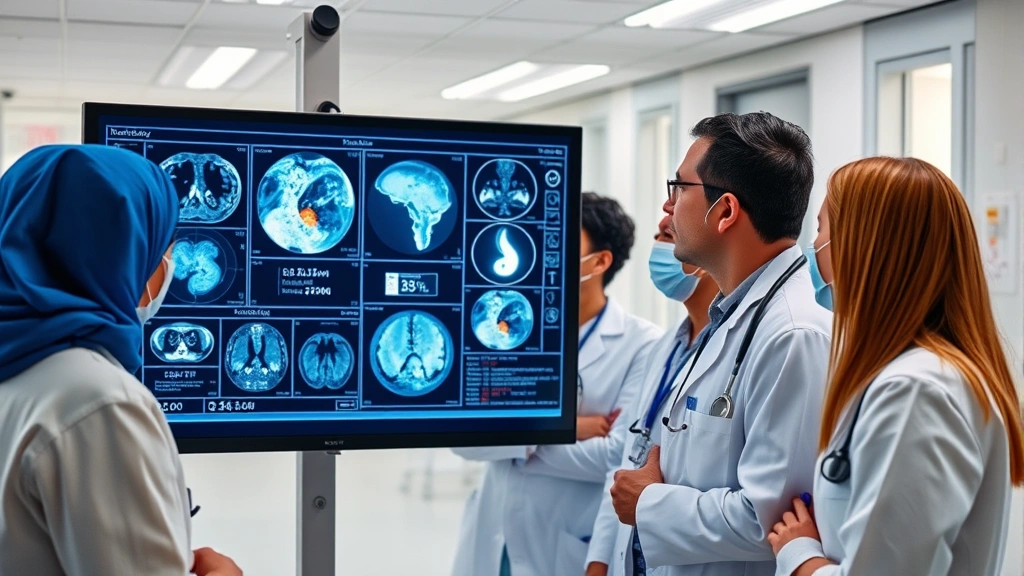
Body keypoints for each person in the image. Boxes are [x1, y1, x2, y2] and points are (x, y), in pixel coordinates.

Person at [769, 157, 1024, 576]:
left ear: (865, 246)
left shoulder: (917, 390)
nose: (813, 248)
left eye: (821, 229)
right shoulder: (918, 377)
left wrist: (801, 556)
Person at [0, 145, 242, 576]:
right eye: (161, 249)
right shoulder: (97, 401)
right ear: (126, 253)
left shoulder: (16, 365)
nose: (165, 267)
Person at [608, 112, 832, 576]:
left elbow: (772, 518)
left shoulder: (794, 336)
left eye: (679, 188)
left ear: (725, 211)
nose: (667, 209)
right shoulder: (731, 315)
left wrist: (648, 503)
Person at [451, 192, 663, 576]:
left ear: (599, 262)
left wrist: (510, 438)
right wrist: (570, 428)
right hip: (492, 535)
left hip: (562, 542)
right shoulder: (504, 327)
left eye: (561, 243)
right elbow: (460, 436)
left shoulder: (643, 345)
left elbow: (614, 457)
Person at [585, 209, 722, 576]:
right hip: (631, 553)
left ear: (707, 261)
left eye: (668, 240)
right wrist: (599, 560)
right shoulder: (665, 347)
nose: (662, 224)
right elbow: (626, 464)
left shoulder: (734, 349)